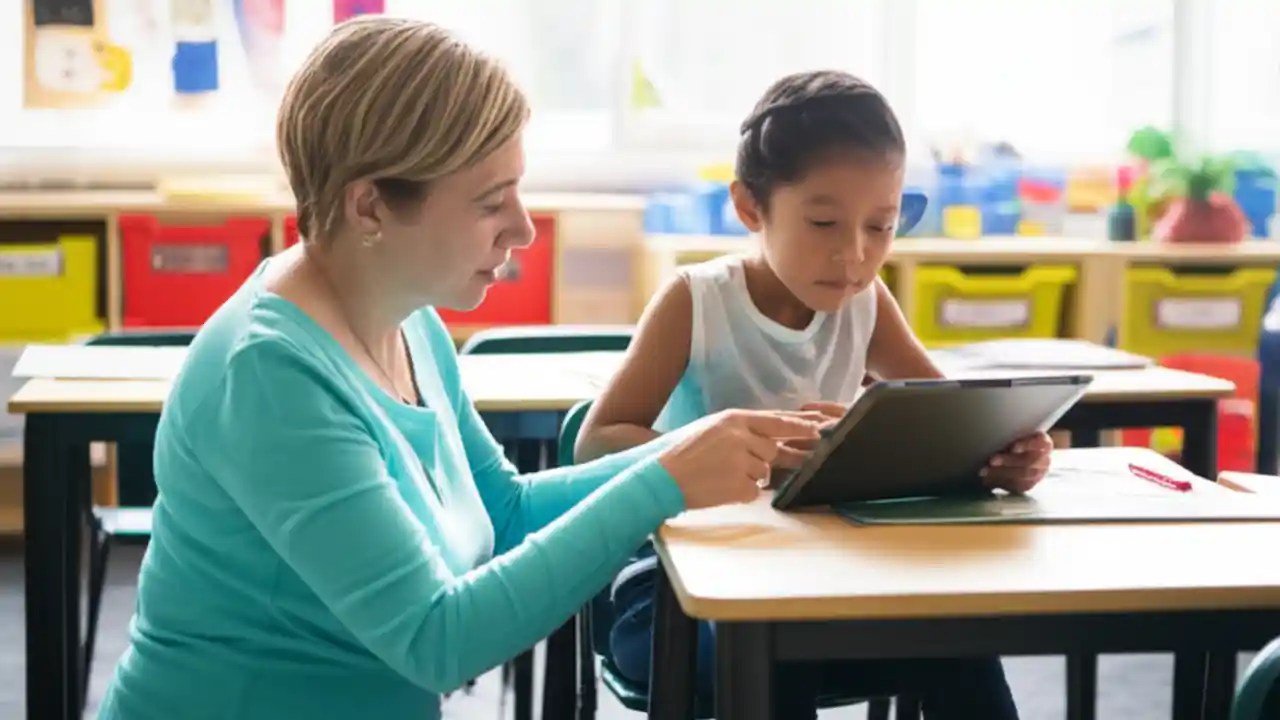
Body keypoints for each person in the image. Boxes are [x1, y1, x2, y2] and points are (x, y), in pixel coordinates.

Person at [96, 17, 826, 720]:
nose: (524, 227)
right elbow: (437, 640)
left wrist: (721, 444)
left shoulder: (406, 316)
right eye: (490, 201)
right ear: (370, 206)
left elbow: (500, 515)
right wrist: (663, 484)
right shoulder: (269, 375)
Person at [575, 70, 1055, 719]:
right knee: (776, 645)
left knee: (958, 642)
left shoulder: (866, 303)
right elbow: (595, 443)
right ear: (750, 208)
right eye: (824, 222)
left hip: (826, 579)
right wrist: (752, 452)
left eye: (881, 226)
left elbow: (949, 420)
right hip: (672, 596)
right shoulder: (697, 302)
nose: (853, 256)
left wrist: (1007, 454)